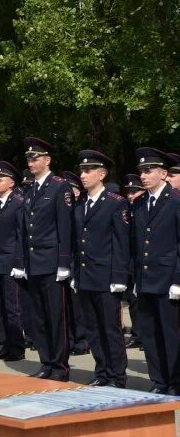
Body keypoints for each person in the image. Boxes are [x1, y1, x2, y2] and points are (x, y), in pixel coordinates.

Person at [72, 150, 130, 387]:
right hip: (85, 275)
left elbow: (121, 242)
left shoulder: (116, 203)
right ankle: (102, 371)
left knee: (111, 328)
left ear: (102, 174)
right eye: (82, 171)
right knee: (93, 328)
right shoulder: (81, 203)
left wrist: (119, 277)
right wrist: (75, 272)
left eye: (88, 171)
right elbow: (78, 240)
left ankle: (117, 375)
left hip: (106, 276)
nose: (83, 175)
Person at [22, 137, 73, 381]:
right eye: (29, 159)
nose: (31, 162)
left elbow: (65, 227)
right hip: (33, 262)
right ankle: (46, 362)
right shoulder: (30, 189)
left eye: (35, 158)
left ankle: (60, 366)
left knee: (55, 317)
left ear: (47, 160)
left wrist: (64, 262)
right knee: (39, 317)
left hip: (52, 262)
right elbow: (25, 229)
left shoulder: (59, 186)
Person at [131, 147, 180, 394]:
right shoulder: (139, 203)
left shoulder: (176, 200)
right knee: (149, 334)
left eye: (149, 170)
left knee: (170, 334)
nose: (143, 175)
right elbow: (137, 243)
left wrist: (178, 280)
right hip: (145, 278)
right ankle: (158, 380)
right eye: (141, 171)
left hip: (168, 278)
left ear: (163, 173)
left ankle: (175, 381)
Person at [0, 162, 26, 362]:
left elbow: (21, 235)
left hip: (10, 263)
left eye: (0, 179)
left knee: (12, 309)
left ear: (11, 183)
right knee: (0, 307)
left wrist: (19, 263)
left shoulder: (18, 203)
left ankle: (17, 347)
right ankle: (6, 344)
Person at [62, 170, 90, 356]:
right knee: (68, 307)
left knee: (80, 307)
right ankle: (71, 339)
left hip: (82, 263)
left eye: (71, 189)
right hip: (70, 260)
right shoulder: (70, 209)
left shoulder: (81, 207)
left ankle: (81, 341)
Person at [122, 174, 145, 349]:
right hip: (128, 261)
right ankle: (137, 334)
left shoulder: (143, 209)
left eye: (135, 192)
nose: (131, 196)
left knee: (142, 301)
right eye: (129, 192)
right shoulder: (127, 210)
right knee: (132, 299)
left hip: (140, 261)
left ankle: (144, 335)